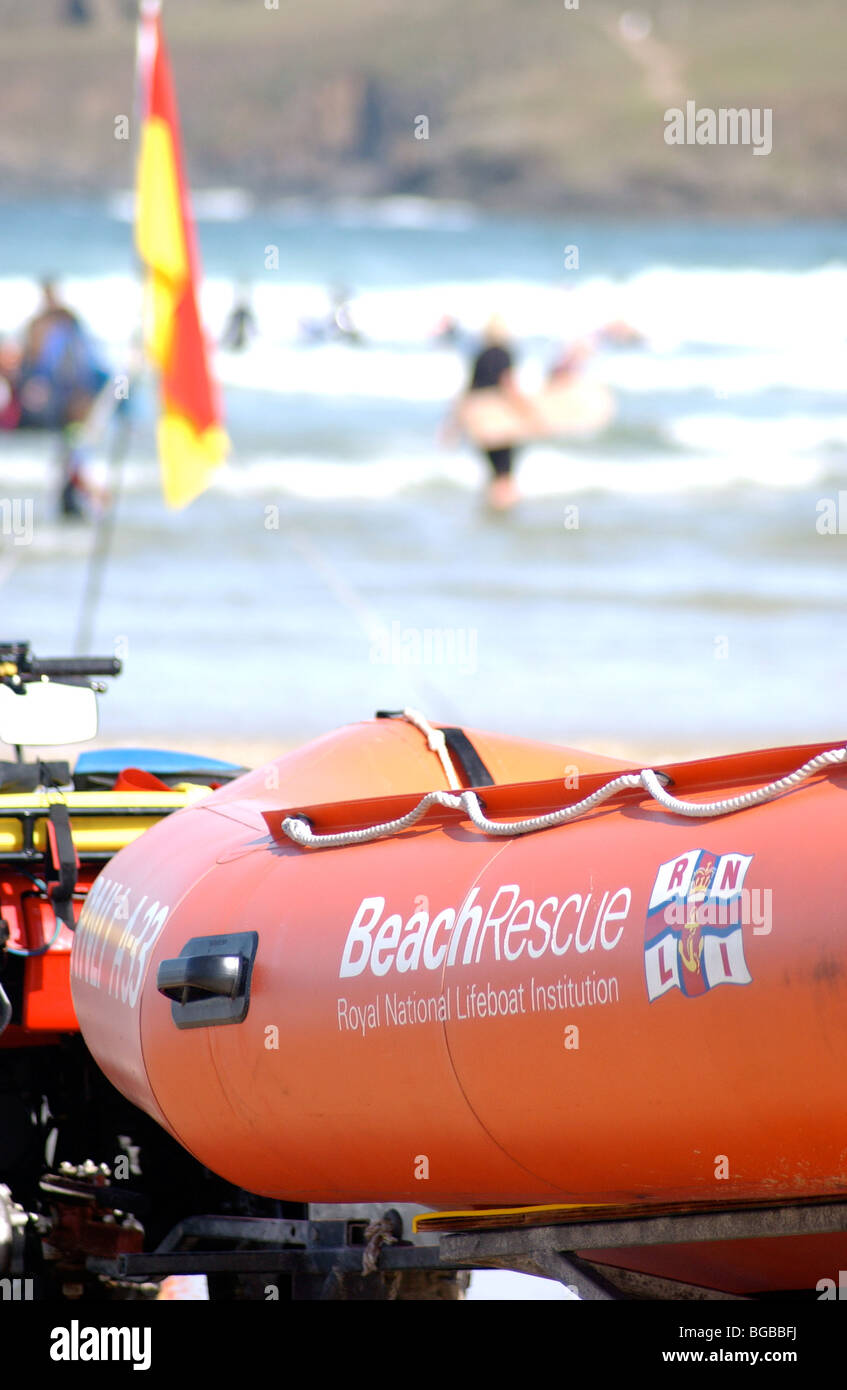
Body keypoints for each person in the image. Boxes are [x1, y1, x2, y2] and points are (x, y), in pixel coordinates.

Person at [447, 315, 536, 510]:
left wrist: (453, 424)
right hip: (498, 417)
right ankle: (504, 518)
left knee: (493, 471)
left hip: (478, 418)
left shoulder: (478, 355)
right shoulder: (505, 354)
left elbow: (469, 389)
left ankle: (492, 517)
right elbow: (508, 385)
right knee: (505, 471)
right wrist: (528, 410)